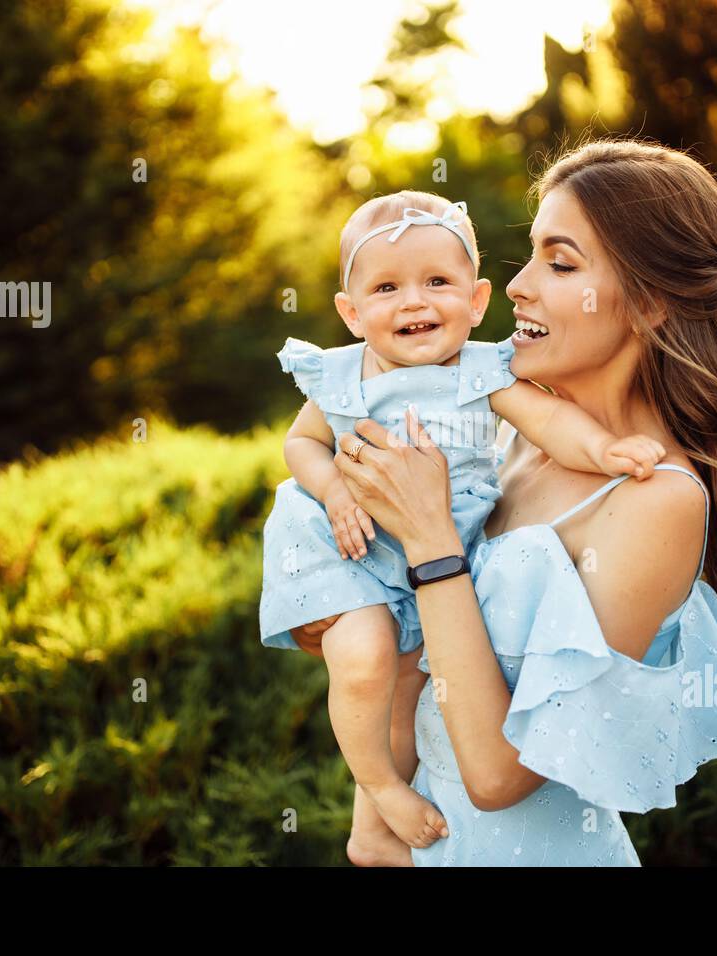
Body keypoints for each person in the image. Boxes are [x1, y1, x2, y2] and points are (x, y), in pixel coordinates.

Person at [309, 139, 717, 866]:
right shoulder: (508, 443)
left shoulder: (654, 501)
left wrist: (428, 540)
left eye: (560, 261)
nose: (516, 285)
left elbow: (498, 775)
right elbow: (412, 641)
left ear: (649, 303)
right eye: (530, 253)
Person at [258, 189, 666, 856]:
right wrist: (334, 492)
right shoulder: (339, 375)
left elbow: (551, 422)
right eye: (387, 287)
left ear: (477, 302)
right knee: (364, 662)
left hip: (430, 557)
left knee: (414, 689)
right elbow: (300, 445)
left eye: (437, 282)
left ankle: (370, 834)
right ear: (352, 313)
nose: (415, 301)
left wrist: (603, 450)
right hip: (349, 542)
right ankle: (381, 793)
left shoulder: (483, 372)